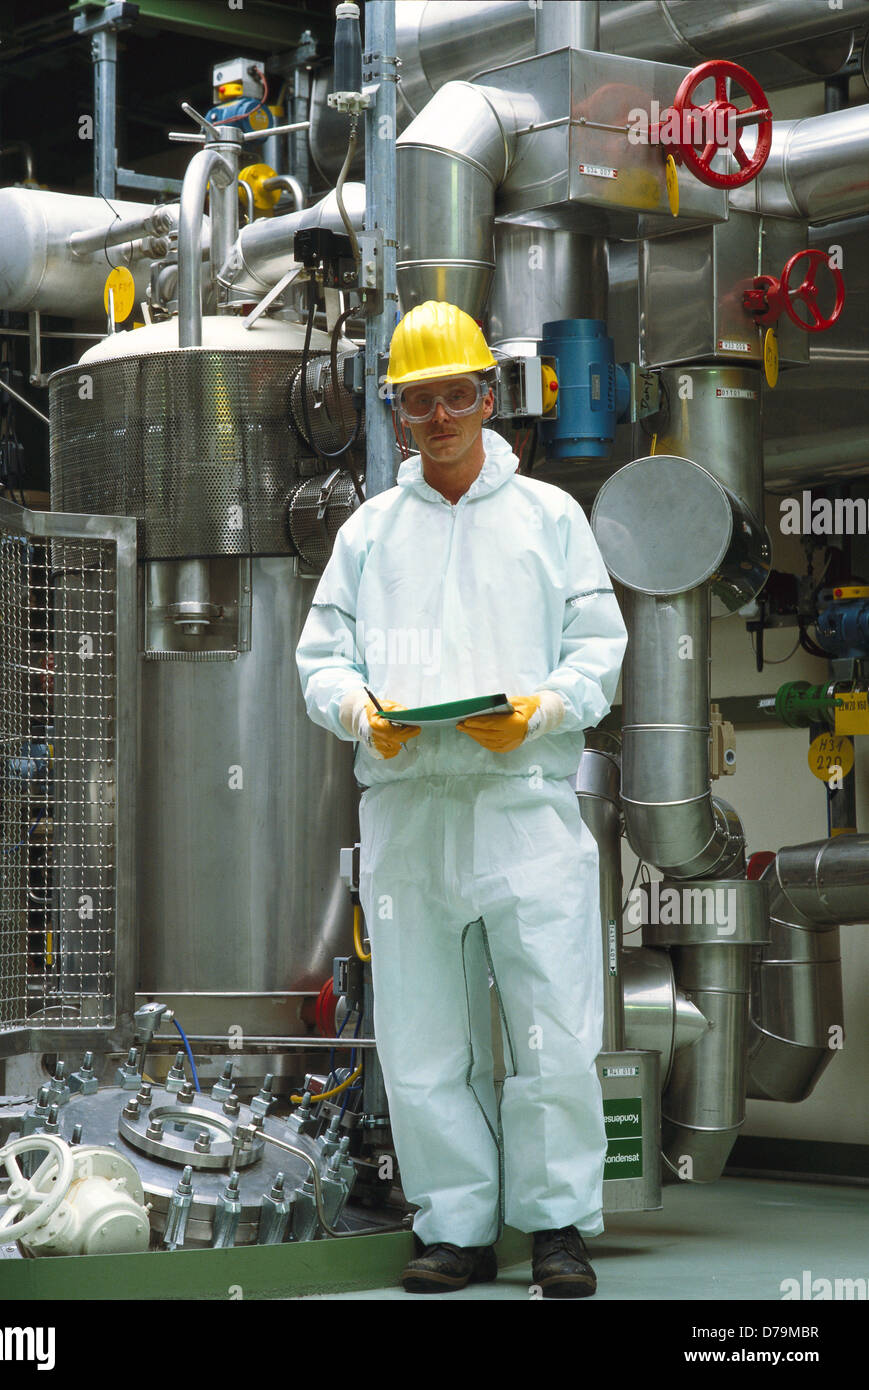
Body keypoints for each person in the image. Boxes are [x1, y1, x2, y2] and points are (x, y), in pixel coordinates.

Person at [295, 300, 628, 1296]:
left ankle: (556, 1224)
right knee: (422, 1038)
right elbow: (320, 664)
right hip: (406, 813)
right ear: (394, 413)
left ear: (488, 398)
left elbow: (598, 652)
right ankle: (455, 1229)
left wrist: (539, 709)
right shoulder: (367, 534)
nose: (437, 416)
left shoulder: (548, 519)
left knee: (551, 1032)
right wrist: (361, 713)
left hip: (522, 802)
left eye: (455, 396)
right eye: (416, 401)